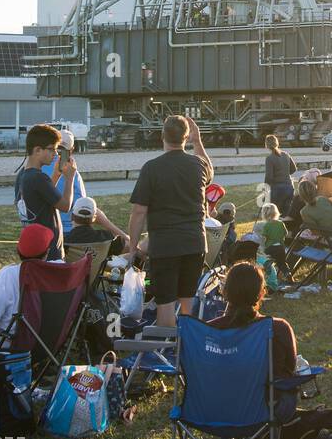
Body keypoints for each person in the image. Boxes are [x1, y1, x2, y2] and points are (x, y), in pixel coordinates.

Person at [126, 114, 214, 327]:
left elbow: (139, 212)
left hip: (164, 245)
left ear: (162, 136)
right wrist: (197, 141)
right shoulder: (198, 165)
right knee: (188, 301)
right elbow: (210, 172)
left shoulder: (152, 168)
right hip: (194, 242)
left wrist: (133, 247)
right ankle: (188, 342)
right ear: (186, 137)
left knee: (165, 303)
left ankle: (167, 345)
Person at [207, 262, 298, 422]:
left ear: (224, 292)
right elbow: (290, 369)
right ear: (261, 293)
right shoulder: (278, 328)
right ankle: (273, 437)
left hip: (214, 409)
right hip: (265, 410)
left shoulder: (207, 332)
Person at [0, 224, 57, 350]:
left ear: (18, 250)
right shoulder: (58, 271)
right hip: (46, 347)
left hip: (8, 350)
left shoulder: (9, 275)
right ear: (47, 252)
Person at [14, 124, 77, 261]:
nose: (55, 154)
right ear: (37, 150)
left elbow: (45, 196)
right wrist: (70, 178)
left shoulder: (23, 175)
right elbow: (65, 206)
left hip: (35, 250)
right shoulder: (39, 178)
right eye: (51, 149)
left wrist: (56, 175)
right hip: (49, 252)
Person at [41, 130, 87, 240]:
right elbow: (81, 202)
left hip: (45, 227)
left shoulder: (40, 166)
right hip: (68, 229)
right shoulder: (73, 173)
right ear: (71, 150)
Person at [263, 135, 296, 213]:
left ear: (266, 145)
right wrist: (285, 174)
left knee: (275, 213)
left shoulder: (269, 158)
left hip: (277, 189)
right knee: (286, 213)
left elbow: (269, 177)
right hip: (289, 186)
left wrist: (265, 189)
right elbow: (294, 169)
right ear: (277, 143)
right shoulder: (286, 154)